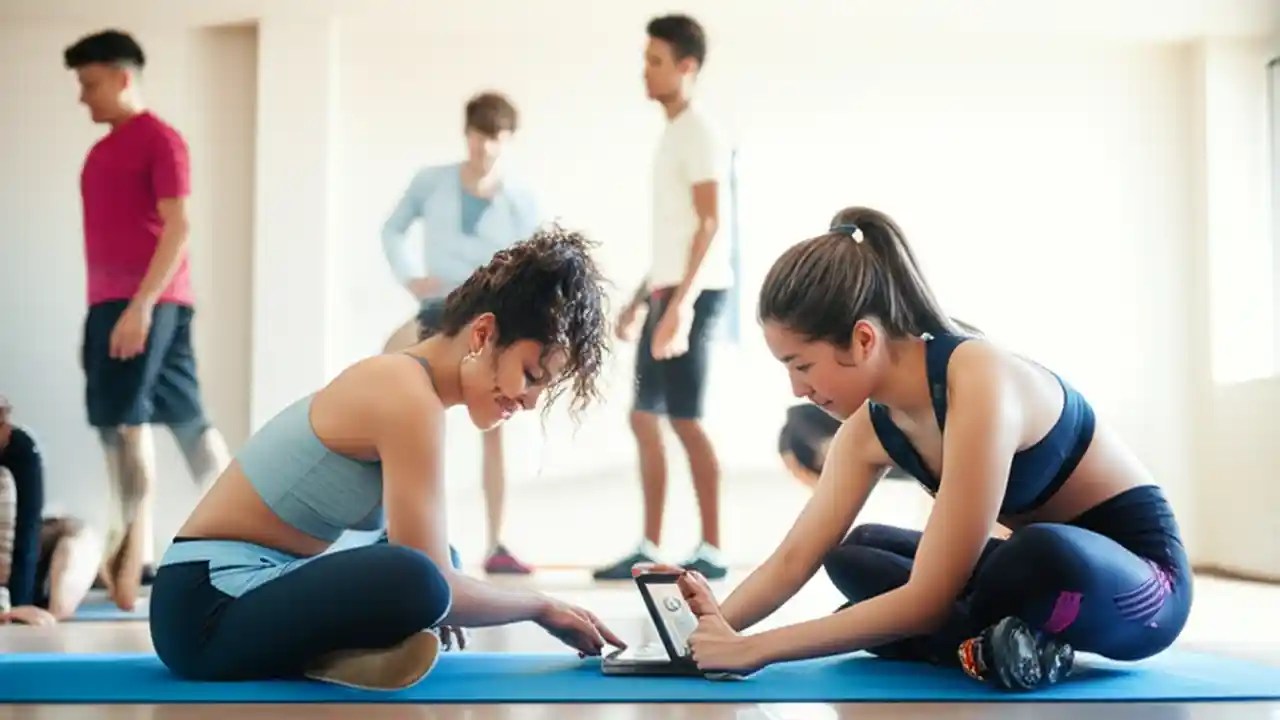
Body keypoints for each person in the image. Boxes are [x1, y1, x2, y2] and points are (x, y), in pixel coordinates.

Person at [648, 207, 1193, 691]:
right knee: (854, 555)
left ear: (863, 339)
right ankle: (991, 647)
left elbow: (931, 596)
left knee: (1036, 556)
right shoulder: (868, 429)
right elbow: (796, 558)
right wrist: (710, 630)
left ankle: (968, 641)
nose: (798, 390)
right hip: (1021, 580)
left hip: (1136, 589)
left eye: (802, 366)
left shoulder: (978, 377)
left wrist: (757, 649)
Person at [148, 227, 626, 691]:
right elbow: (431, 580)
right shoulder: (406, 395)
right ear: (483, 333)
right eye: (530, 375)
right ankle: (345, 651)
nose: (529, 402)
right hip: (204, 609)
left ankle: (347, 654)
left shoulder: (414, 391)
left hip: (254, 586)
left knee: (435, 564)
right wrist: (539, 607)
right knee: (423, 580)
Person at [63, 29, 231, 613]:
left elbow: (180, 227)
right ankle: (194, 547)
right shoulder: (99, 152)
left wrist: (139, 306)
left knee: (128, 423)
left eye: (89, 84)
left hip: (144, 303)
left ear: (121, 76)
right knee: (180, 419)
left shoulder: (160, 140)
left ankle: (133, 554)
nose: (83, 97)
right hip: (116, 304)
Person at [594, 14, 733, 581]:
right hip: (667, 289)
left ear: (687, 67)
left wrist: (679, 307)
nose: (645, 72)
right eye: (645, 60)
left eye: (655, 61)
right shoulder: (672, 135)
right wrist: (639, 299)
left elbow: (710, 225)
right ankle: (650, 544)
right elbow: (677, 234)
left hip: (694, 294)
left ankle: (714, 549)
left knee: (686, 420)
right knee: (644, 417)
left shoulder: (699, 131)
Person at [380, 91, 541, 575]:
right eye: (477, 135)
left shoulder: (520, 202)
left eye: (494, 138)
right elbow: (392, 231)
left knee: (498, 426)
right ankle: (392, 529)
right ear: (465, 133)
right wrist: (410, 276)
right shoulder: (431, 183)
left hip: (492, 320)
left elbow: (531, 268)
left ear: (507, 141)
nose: (484, 147)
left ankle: (497, 542)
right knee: (398, 394)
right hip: (440, 307)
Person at [1, 397, 102, 624]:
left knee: (78, 537)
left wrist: (19, 605)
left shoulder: (20, 447)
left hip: (35, 561)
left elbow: (28, 528)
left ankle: (51, 609)